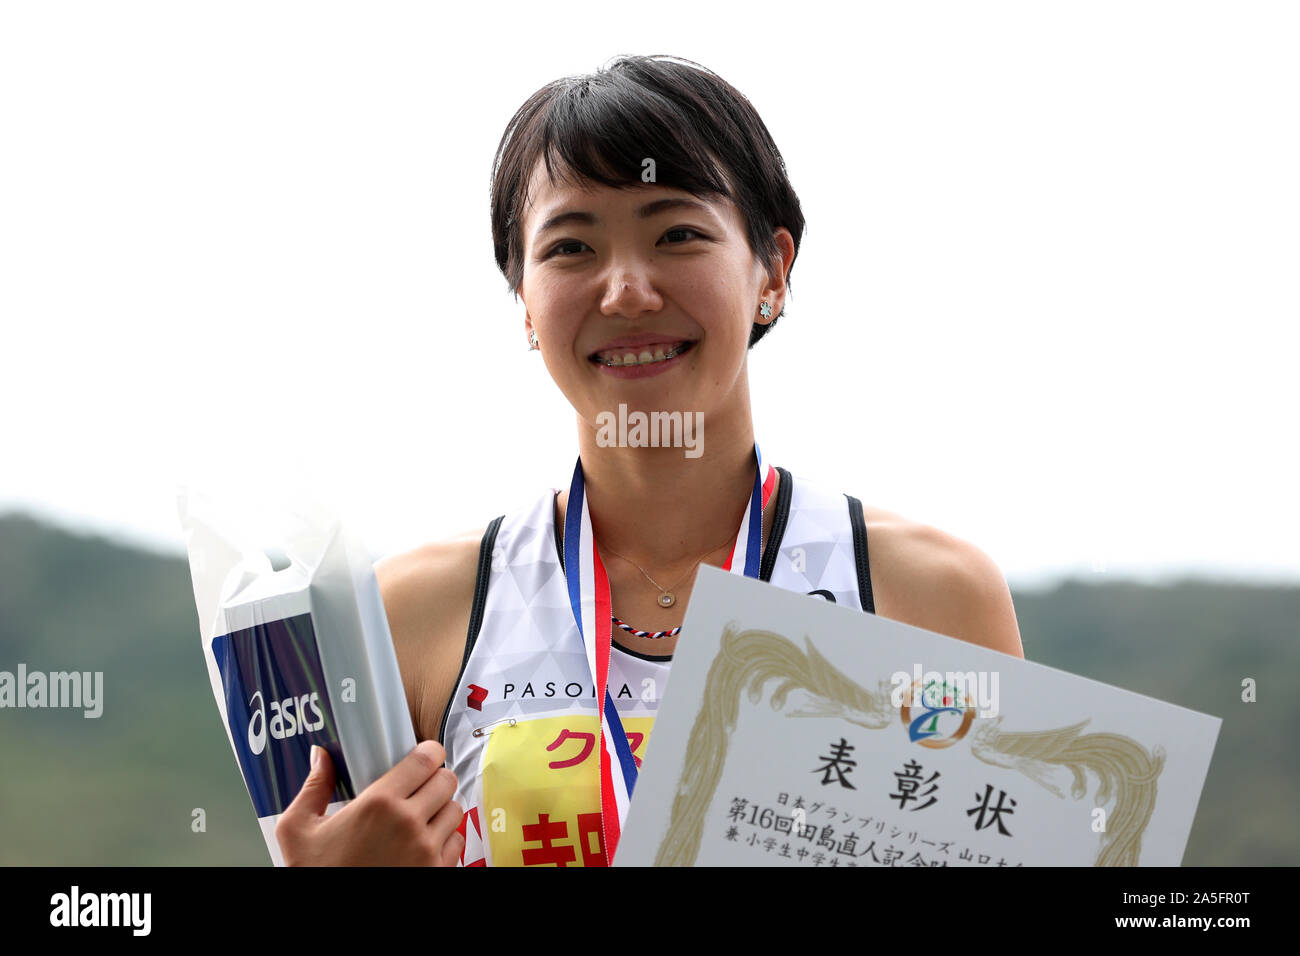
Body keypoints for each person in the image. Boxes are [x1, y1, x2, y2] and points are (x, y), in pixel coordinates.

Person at [274, 54, 1024, 867]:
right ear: (523, 299)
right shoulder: (413, 615)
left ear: (772, 270)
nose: (626, 291)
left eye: (677, 234)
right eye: (570, 248)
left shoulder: (926, 597)